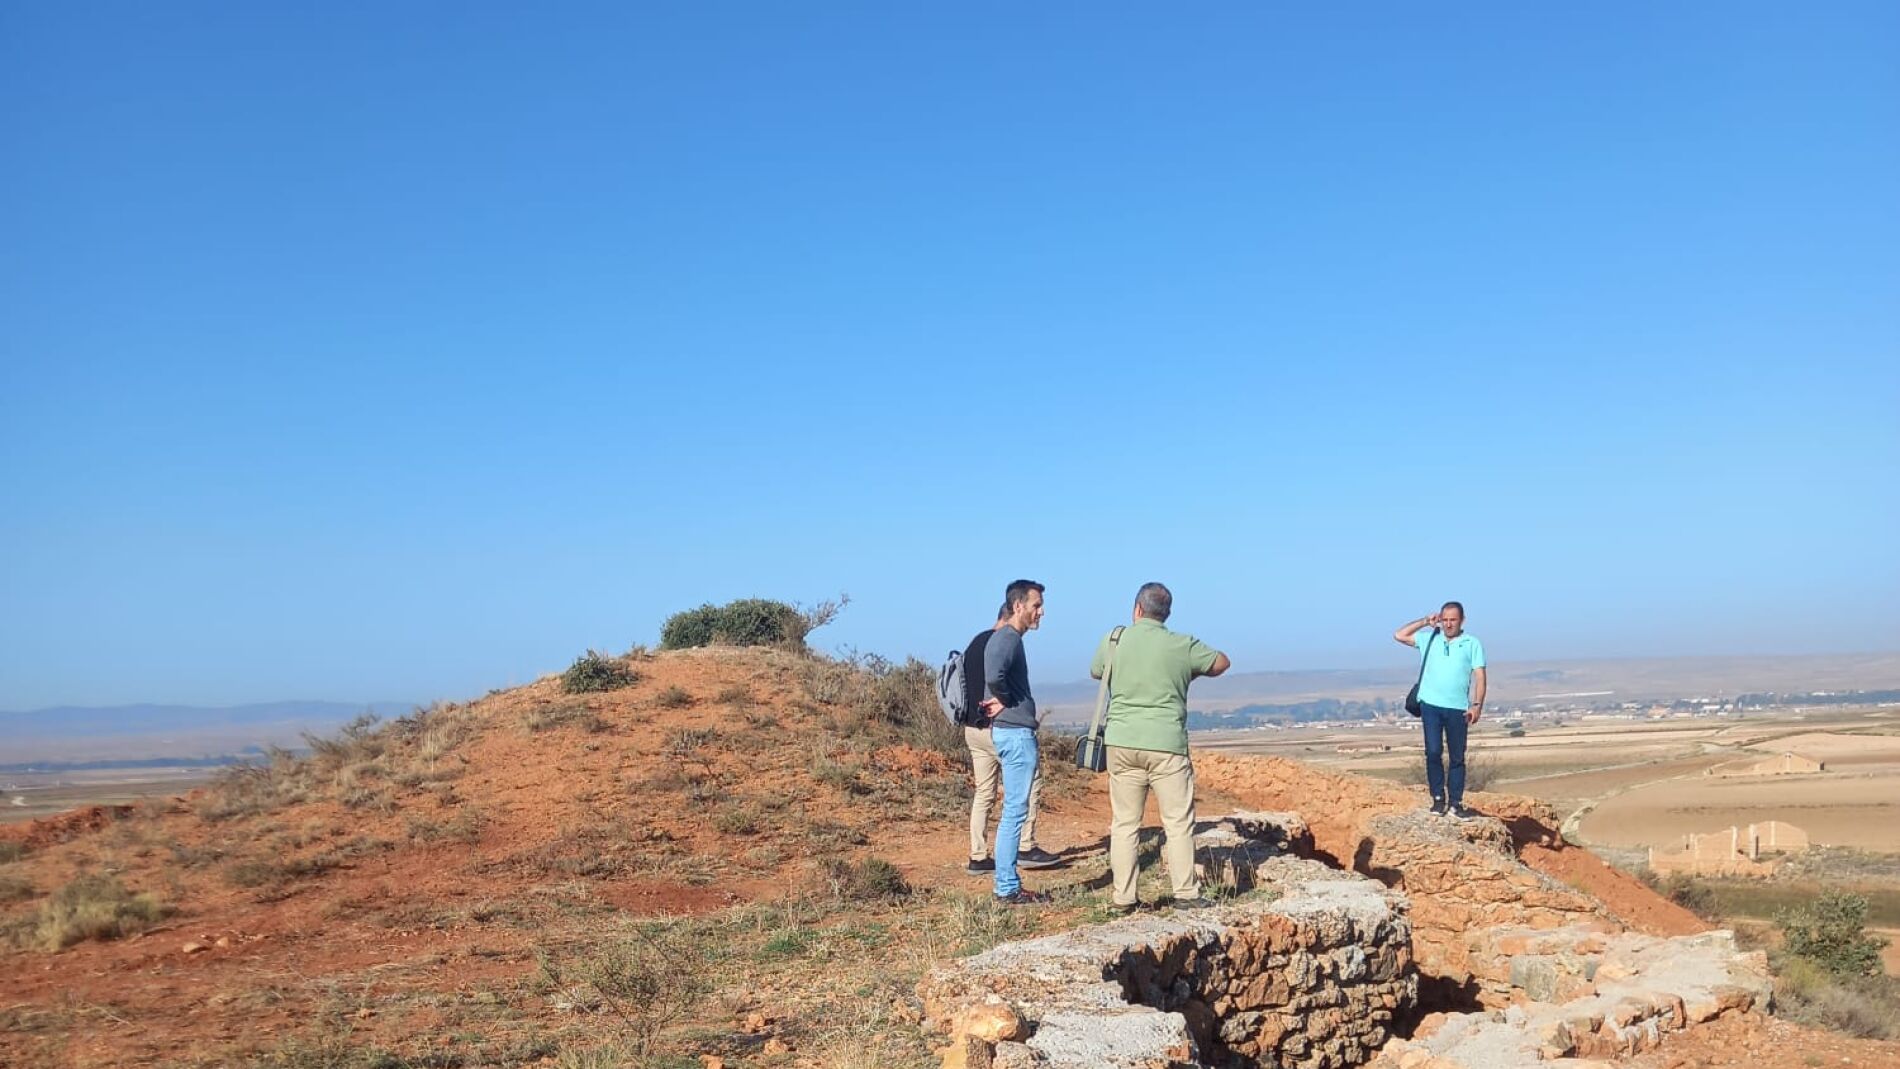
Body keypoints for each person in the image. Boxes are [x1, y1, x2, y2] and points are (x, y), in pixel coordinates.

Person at [1091, 582, 1229, 913]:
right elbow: (1222, 662)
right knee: (1178, 822)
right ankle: (1186, 894)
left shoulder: (1114, 639)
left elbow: (1097, 671)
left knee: (1125, 824)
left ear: (1137, 609)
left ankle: (1124, 898)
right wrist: (1188, 672)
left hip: (1122, 742)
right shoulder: (1182, 644)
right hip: (1167, 744)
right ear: (1166, 613)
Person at [962, 601, 1056, 875]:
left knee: (984, 792)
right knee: (1029, 782)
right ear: (1012, 612)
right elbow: (996, 680)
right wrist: (1005, 700)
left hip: (972, 728)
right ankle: (1025, 846)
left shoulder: (976, 642)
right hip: (997, 726)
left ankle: (978, 855)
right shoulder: (1003, 643)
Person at [981, 579, 1047, 904]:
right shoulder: (1007, 639)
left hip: (1012, 732)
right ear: (1018, 606)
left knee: (1013, 810)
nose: (1041, 612)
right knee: (1015, 812)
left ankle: (1006, 884)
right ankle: (1006, 886)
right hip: (1016, 735)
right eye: (1036, 605)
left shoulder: (1007, 638)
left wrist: (1004, 699)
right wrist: (1006, 699)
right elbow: (994, 675)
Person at [1393, 601, 1488, 818]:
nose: (1448, 624)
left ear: (1462, 621)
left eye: (1453, 620)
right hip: (1430, 705)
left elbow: (1480, 677)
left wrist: (1477, 705)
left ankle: (1456, 803)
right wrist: (1425, 621)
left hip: (1458, 708)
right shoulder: (1430, 638)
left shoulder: (1472, 643)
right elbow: (1399, 635)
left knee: (1457, 757)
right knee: (1433, 752)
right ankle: (1438, 799)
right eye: (1445, 620)